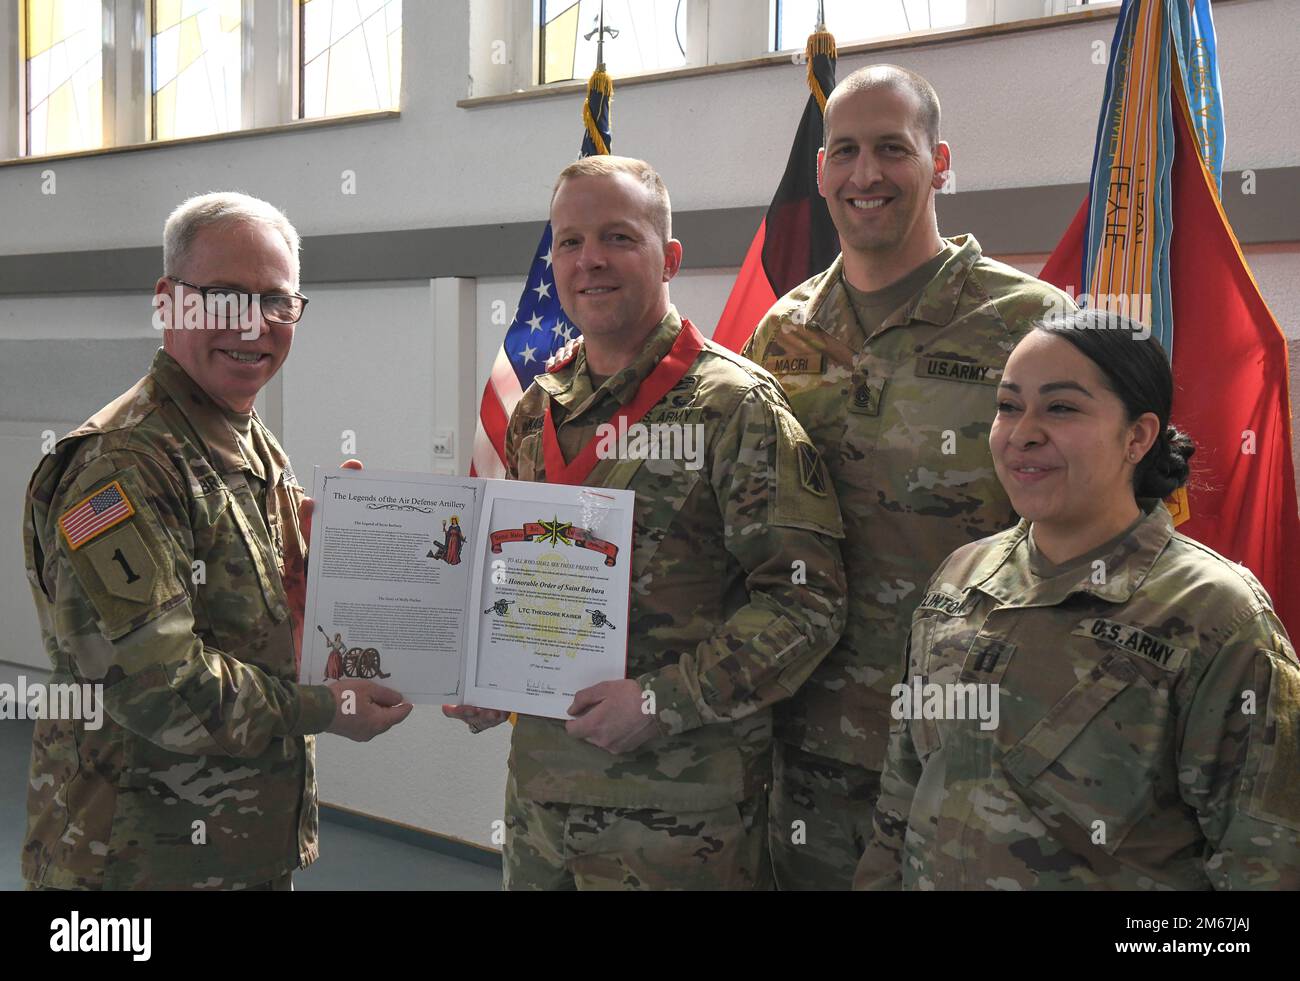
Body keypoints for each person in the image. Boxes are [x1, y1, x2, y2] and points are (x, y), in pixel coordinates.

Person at [444, 156, 847, 890]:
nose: (588, 259)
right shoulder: (538, 408)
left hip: (678, 820)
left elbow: (807, 603)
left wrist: (666, 699)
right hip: (542, 807)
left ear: (670, 258)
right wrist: (485, 672)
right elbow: (528, 579)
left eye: (617, 237)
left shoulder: (735, 408)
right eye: (569, 241)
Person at [742, 64, 1075, 889]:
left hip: (975, 744)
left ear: (939, 160)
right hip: (808, 739)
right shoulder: (783, 333)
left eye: (893, 148)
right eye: (845, 150)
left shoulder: (1033, 324)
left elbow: (1096, 534)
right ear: (821, 171)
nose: (866, 174)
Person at [22, 192, 412, 891]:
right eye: (226, 296)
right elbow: (159, 685)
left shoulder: (246, 440)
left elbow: (249, 619)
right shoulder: (120, 465)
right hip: (132, 870)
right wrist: (329, 707)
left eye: (277, 300)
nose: (254, 325)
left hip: (240, 850)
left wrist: (328, 572)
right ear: (169, 301)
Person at [854, 309, 1300, 889]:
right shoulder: (962, 577)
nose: (1023, 432)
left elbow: (1266, 862)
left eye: (1061, 407)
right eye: (1009, 406)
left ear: (1137, 436)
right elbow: (904, 794)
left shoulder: (1214, 615)